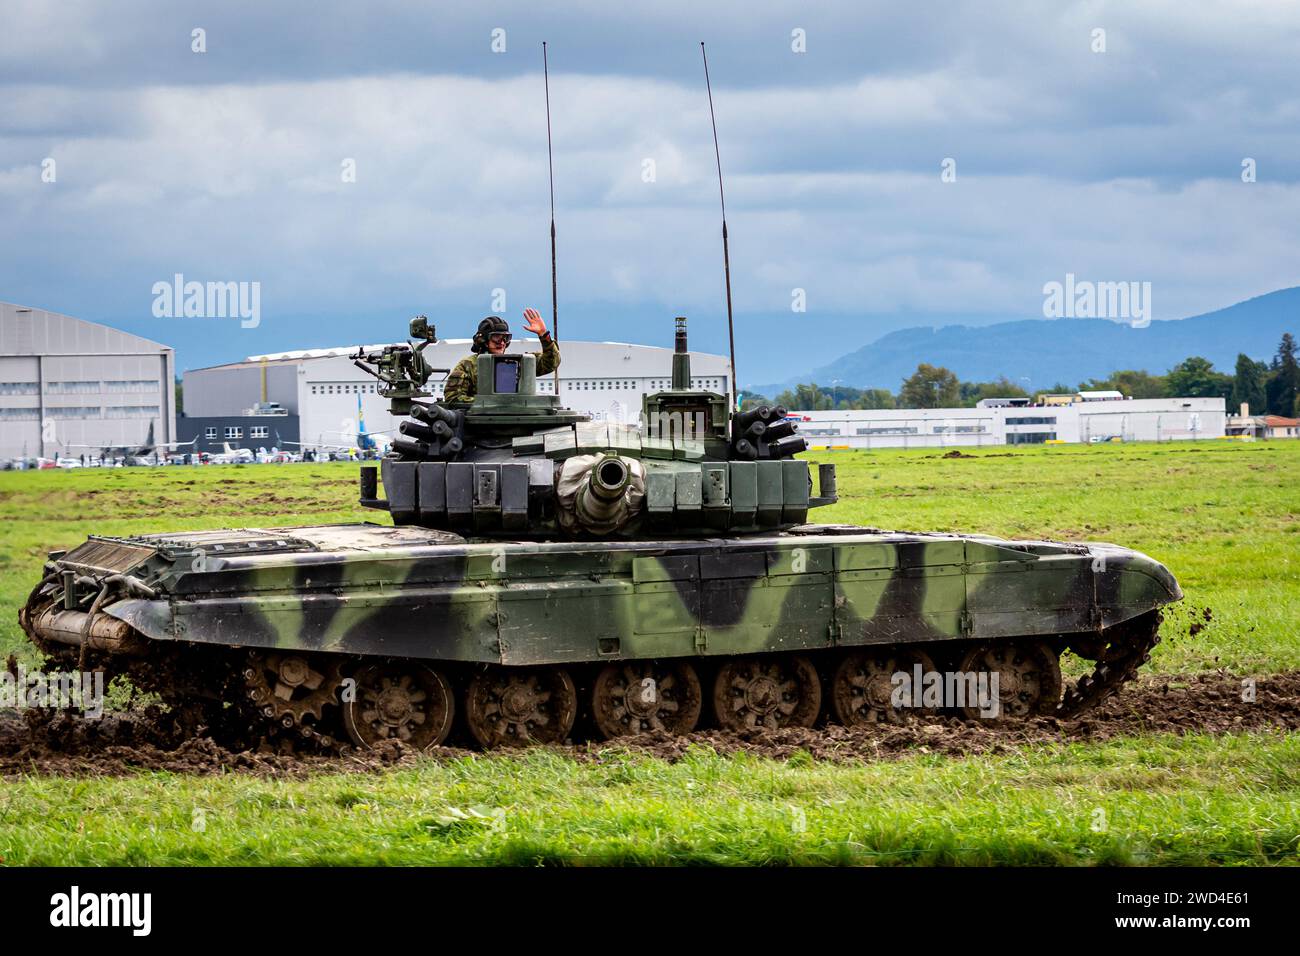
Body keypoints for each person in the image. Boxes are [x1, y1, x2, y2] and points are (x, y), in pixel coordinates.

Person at [442, 308, 559, 403]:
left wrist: (544, 335)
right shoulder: (469, 365)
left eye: (505, 338)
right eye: (496, 337)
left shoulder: (516, 363)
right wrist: (491, 403)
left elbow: (550, 363)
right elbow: (453, 398)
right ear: (483, 340)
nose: (502, 342)